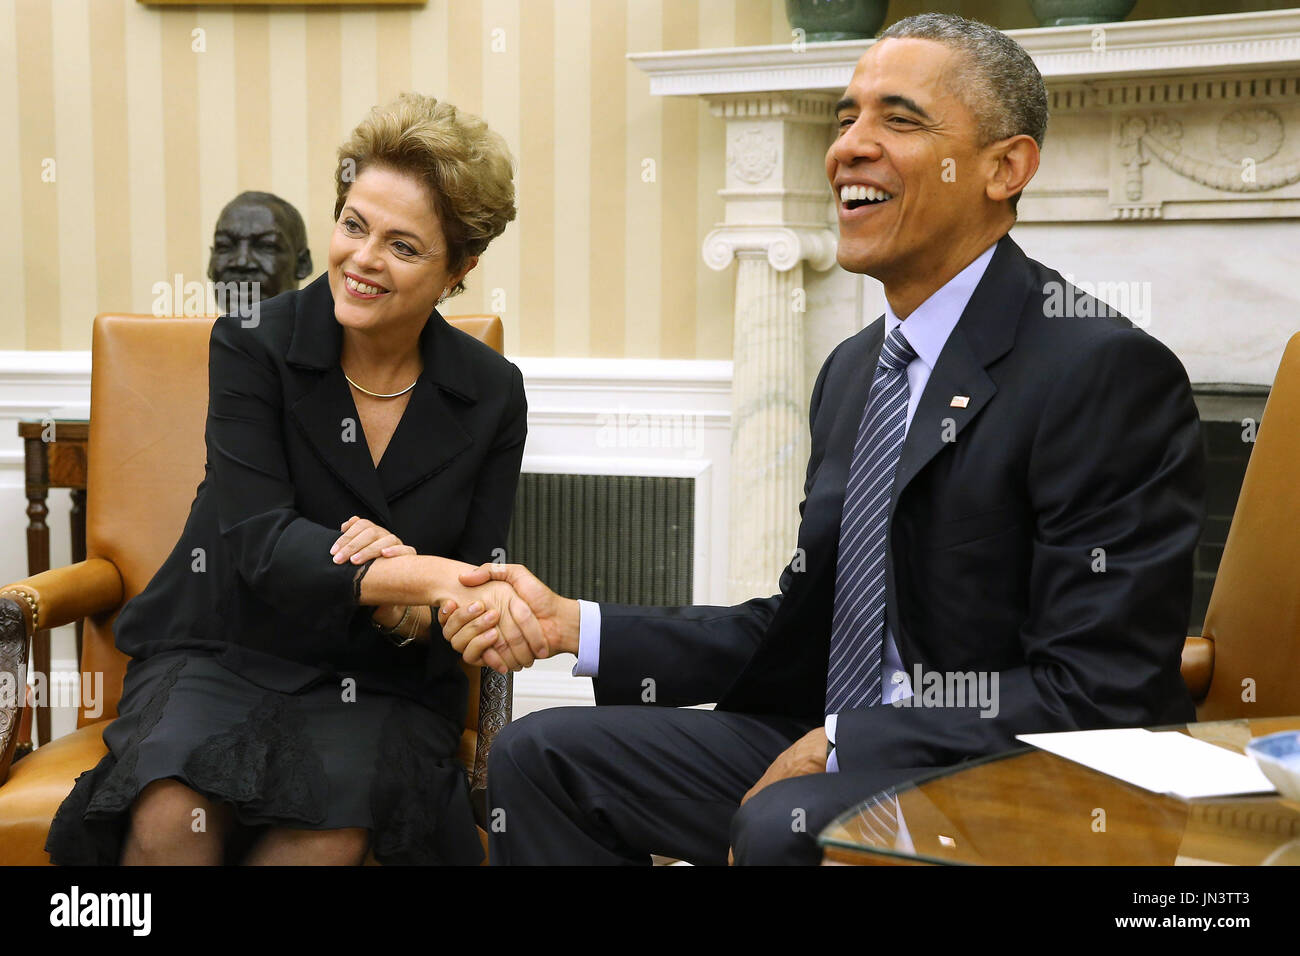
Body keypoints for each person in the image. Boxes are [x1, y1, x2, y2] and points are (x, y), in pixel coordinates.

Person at [441, 14, 1206, 865]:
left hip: (1016, 781)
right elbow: (804, 627)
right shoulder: (853, 372)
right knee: (542, 757)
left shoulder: (1102, 372)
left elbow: (1098, 691)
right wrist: (573, 626)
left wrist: (848, 742)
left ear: (1005, 167)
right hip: (842, 748)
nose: (849, 146)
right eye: (846, 118)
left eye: (899, 119)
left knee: (785, 823)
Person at [46, 92, 542, 866]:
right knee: (171, 815)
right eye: (353, 223)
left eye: (403, 246)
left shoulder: (491, 393)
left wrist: (404, 602)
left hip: (377, 677)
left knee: (327, 835)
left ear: (460, 270)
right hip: (224, 643)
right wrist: (412, 571)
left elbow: (459, 598)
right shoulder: (255, 347)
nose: (363, 259)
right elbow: (259, 546)